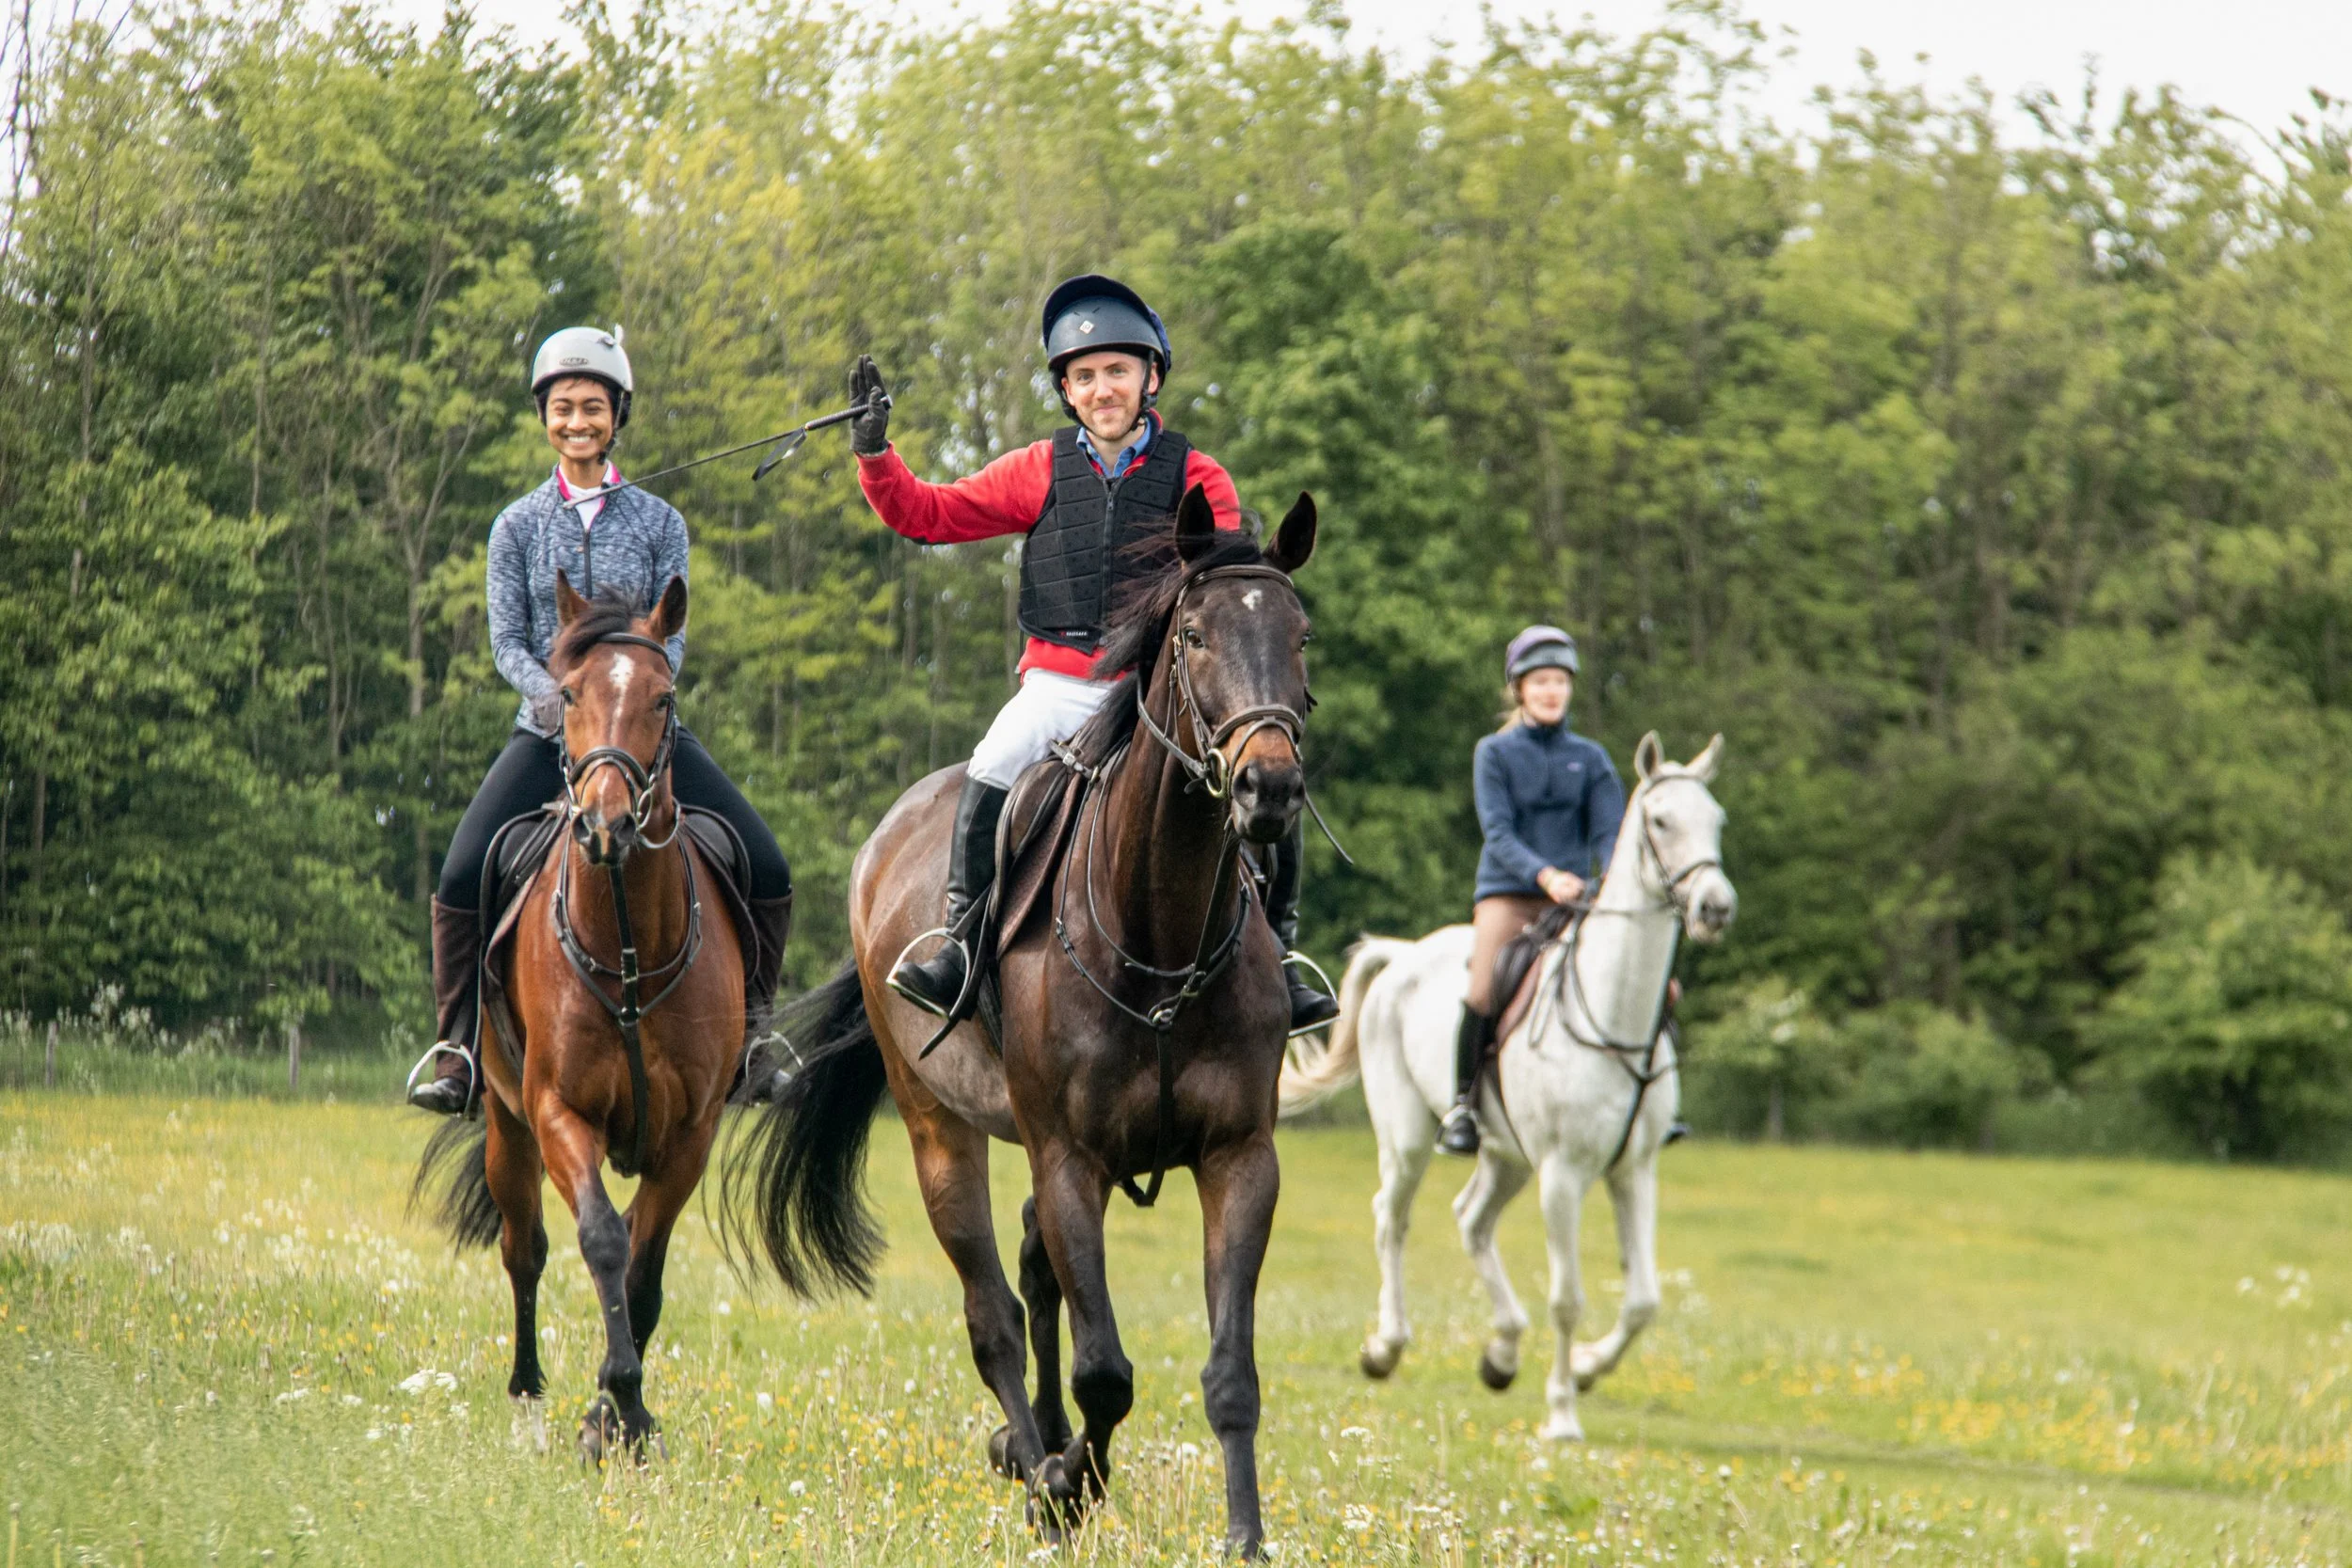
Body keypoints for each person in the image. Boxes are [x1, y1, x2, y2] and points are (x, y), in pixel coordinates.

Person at [848, 275, 1336, 1031]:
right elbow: (929, 515)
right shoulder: (1037, 469)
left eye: (1116, 371)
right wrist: (877, 455)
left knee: (1264, 768)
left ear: (1151, 377)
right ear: (1067, 393)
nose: (1102, 389)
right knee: (993, 763)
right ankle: (958, 945)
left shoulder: (1200, 476)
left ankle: (1283, 954)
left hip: (1155, 692)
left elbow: (1220, 598)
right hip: (1059, 685)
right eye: (1084, 377)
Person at [405, 326, 796, 1114]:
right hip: (548, 730)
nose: (576, 420)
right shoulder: (515, 526)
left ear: (618, 415)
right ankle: (457, 1050)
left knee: (768, 863)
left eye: (591, 407)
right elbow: (507, 640)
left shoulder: (659, 521)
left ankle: (753, 1035)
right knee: (458, 874)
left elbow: (671, 639)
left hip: (644, 733)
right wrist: (556, 702)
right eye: (562, 408)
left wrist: (626, 702)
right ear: (544, 418)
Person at [1440, 625, 1626, 1155]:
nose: (1551, 691)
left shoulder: (1591, 758)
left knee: (1654, 980)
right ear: (1518, 689)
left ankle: (1655, 1099)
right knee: (1482, 990)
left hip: (1579, 897)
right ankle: (1462, 1105)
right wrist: (1546, 877)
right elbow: (1498, 834)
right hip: (1511, 894)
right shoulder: (1492, 754)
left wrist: (1609, 874)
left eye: (1560, 682)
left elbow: (1609, 831)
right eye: (1540, 681)